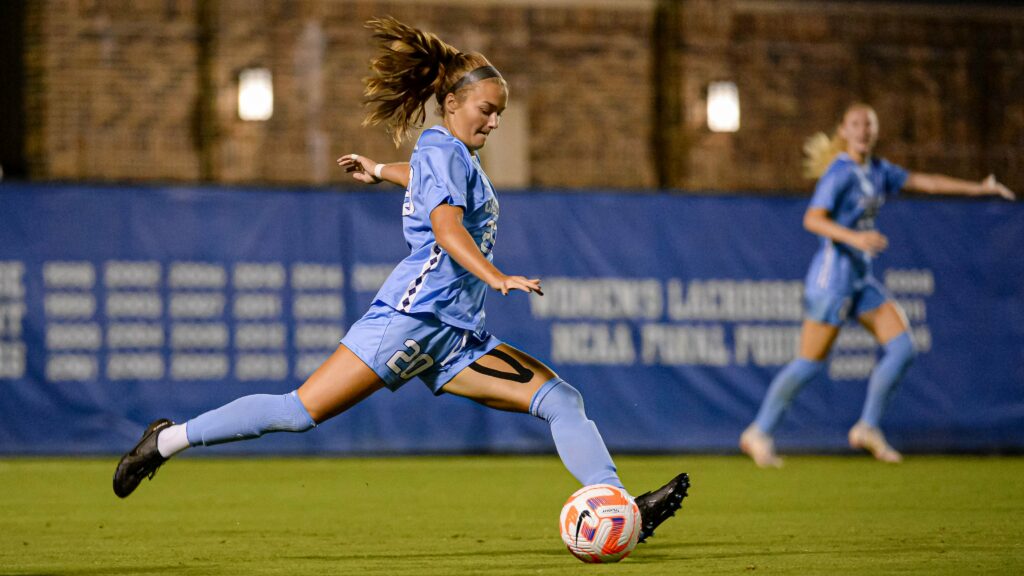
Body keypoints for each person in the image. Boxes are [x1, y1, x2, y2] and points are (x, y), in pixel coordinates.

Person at [114, 16, 688, 543]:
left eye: (500, 113)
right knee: (297, 412)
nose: (494, 120)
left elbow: (426, 177)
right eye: (487, 109)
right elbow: (444, 226)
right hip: (411, 319)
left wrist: (379, 170)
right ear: (452, 101)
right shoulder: (442, 145)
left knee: (561, 400)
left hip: (456, 338)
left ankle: (620, 510)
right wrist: (495, 275)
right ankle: (165, 440)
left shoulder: (452, 155)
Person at [740, 102, 1015, 468]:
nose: (863, 130)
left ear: (876, 130)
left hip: (860, 280)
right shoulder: (839, 173)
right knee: (808, 363)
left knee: (903, 348)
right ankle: (758, 432)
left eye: (869, 124)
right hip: (831, 280)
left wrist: (979, 188)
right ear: (843, 130)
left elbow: (924, 182)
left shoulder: (879, 170)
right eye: (856, 123)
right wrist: (856, 239)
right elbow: (812, 219)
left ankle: (867, 427)